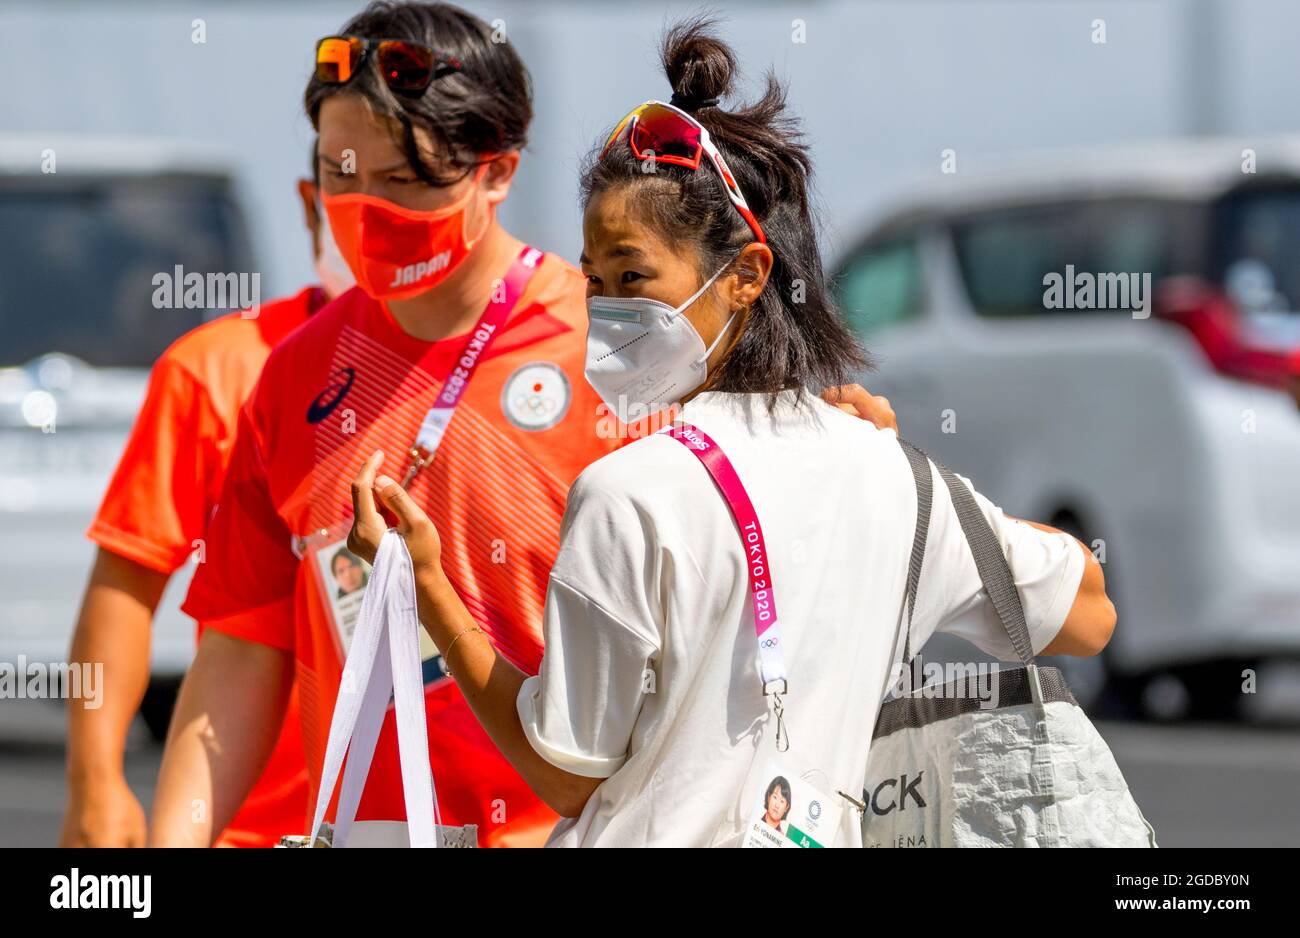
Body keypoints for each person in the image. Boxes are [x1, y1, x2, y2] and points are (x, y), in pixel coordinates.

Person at [344, 18, 1117, 847]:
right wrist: (917, 477)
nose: (605, 312)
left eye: (634, 275)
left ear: (747, 274)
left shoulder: (628, 492)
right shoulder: (892, 476)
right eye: (595, 280)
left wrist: (431, 590)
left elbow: (565, 773)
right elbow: (1087, 611)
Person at [60, 146, 353, 848]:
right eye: (348, 186)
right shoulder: (216, 369)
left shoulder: (519, 369)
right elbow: (125, 585)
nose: (376, 214)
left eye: (404, 182)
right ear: (310, 206)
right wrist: (95, 780)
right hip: (246, 824)